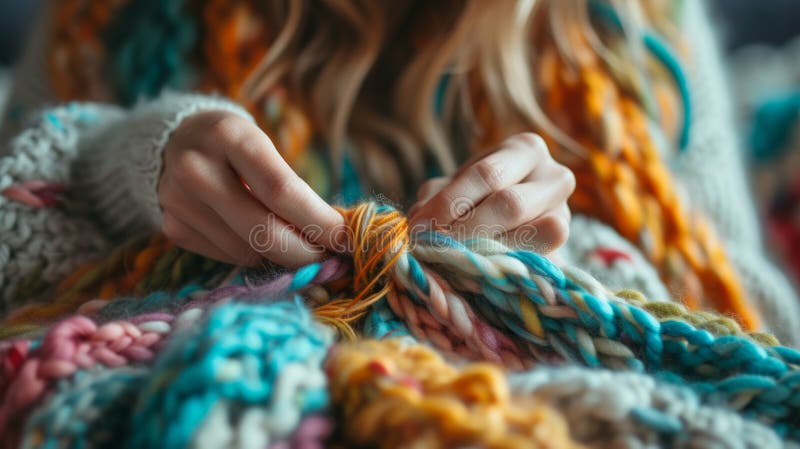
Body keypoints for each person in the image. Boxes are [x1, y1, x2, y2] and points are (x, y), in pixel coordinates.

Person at [1, 0, 798, 344]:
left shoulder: (631, 31)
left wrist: (568, 254)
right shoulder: (108, 21)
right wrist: (134, 162)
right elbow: (16, 202)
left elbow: (742, 314)